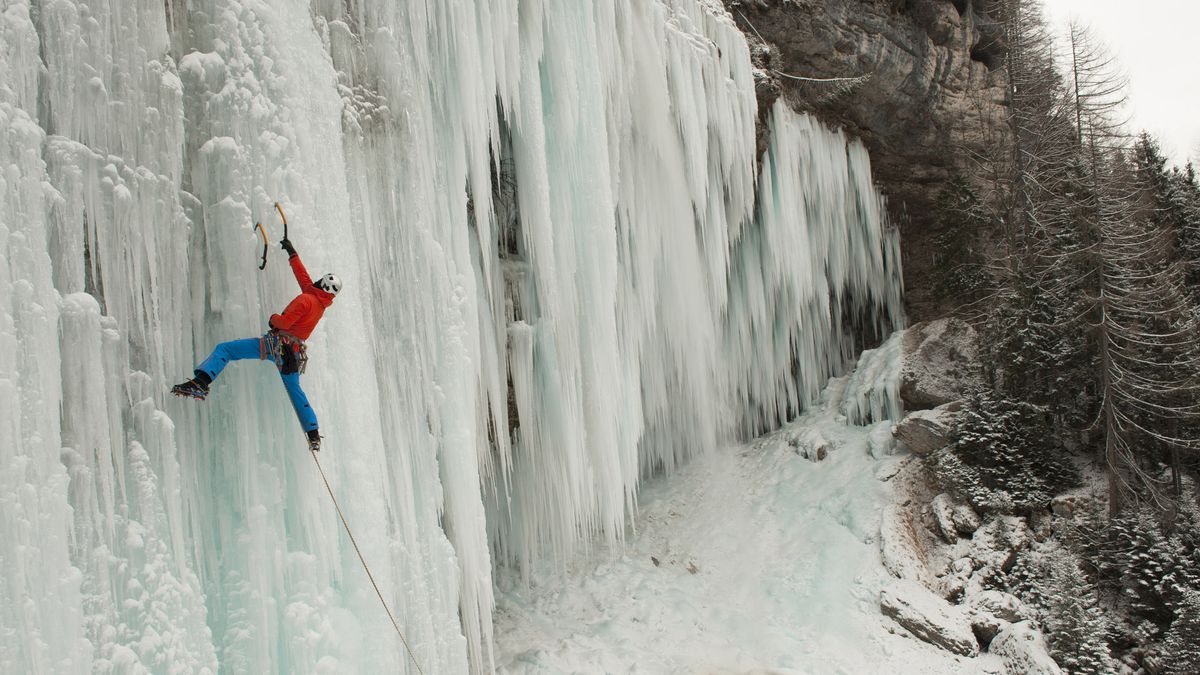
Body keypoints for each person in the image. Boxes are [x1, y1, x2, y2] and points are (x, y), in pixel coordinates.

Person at [172, 237, 341, 452]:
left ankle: (201, 382)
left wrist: (273, 319)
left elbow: (284, 322)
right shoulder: (318, 303)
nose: (316, 281)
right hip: (293, 355)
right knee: (296, 391)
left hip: (275, 346)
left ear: (323, 284)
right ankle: (313, 434)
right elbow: (305, 281)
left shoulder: (305, 300)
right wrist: (293, 254)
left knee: (226, 350)